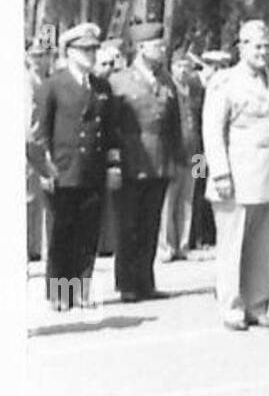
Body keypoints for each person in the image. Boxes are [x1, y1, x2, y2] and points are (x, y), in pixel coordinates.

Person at [202, 20, 269, 330]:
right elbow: (212, 131)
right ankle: (232, 306)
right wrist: (220, 173)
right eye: (256, 46)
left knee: (263, 243)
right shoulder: (225, 82)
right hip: (237, 176)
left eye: (267, 46)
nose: (263, 52)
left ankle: (258, 302)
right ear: (241, 47)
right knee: (233, 244)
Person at [33, 23, 115, 311]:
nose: (92, 54)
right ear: (69, 51)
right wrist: (46, 170)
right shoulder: (53, 86)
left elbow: (109, 132)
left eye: (94, 49)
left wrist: (112, 167)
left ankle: (80, 289)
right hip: (63, 171)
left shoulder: (102, 87)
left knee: (87, 234)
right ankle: (59, 292)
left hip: (92, 170)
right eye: (86, 49)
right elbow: (40, 133)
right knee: (61, 234)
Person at [107, 22, 182, 300]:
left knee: (150, 224)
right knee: (128, 225)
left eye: (162, 45)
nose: (161, 50)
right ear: (140, 48)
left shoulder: (165, 81)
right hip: (131, 160)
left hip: (160, 161)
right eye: (156, 45)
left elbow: (175, 122)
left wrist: (180, 159)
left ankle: (145, 281)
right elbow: (112, 126)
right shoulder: (120, 81)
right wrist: (112, 162)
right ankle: (126, 283)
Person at [160, 52, 203, 262]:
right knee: (169, 202)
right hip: (173, 152)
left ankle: (184, 245)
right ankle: (167, 246)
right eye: (179, 66)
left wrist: (202, 160)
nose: (183, 71)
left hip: (195, 152)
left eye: (187, 67)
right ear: (172, 67)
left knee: (189, 199)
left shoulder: (196, 90)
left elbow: (202, 122)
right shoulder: (168, 89)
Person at [189, 49, 229, 249]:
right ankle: (196, 235)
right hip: (198, 152)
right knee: (198, 188)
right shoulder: (195, 86)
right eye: (218, 67)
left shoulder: (221, 87)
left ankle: (210, 235)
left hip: (215, 150)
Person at [93, 39, 125, 258]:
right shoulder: (59, 85)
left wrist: (114, 162)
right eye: (103, 64)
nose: (108, 69)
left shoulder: (107, 89)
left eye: (110, 64)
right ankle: (61, 292)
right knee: (66, 236)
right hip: (71, 167)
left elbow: (112, 128)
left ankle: (76, 292)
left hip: (100, 159)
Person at [25, 38, 53, 262]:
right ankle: (28, 247)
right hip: (28, 147)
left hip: (45, 146)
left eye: (41, 55)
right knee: (28, 199)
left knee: (46, 199)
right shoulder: (25, 82)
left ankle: (39, 248)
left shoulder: (49, 81)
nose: (36, 60)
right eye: (33, 55)